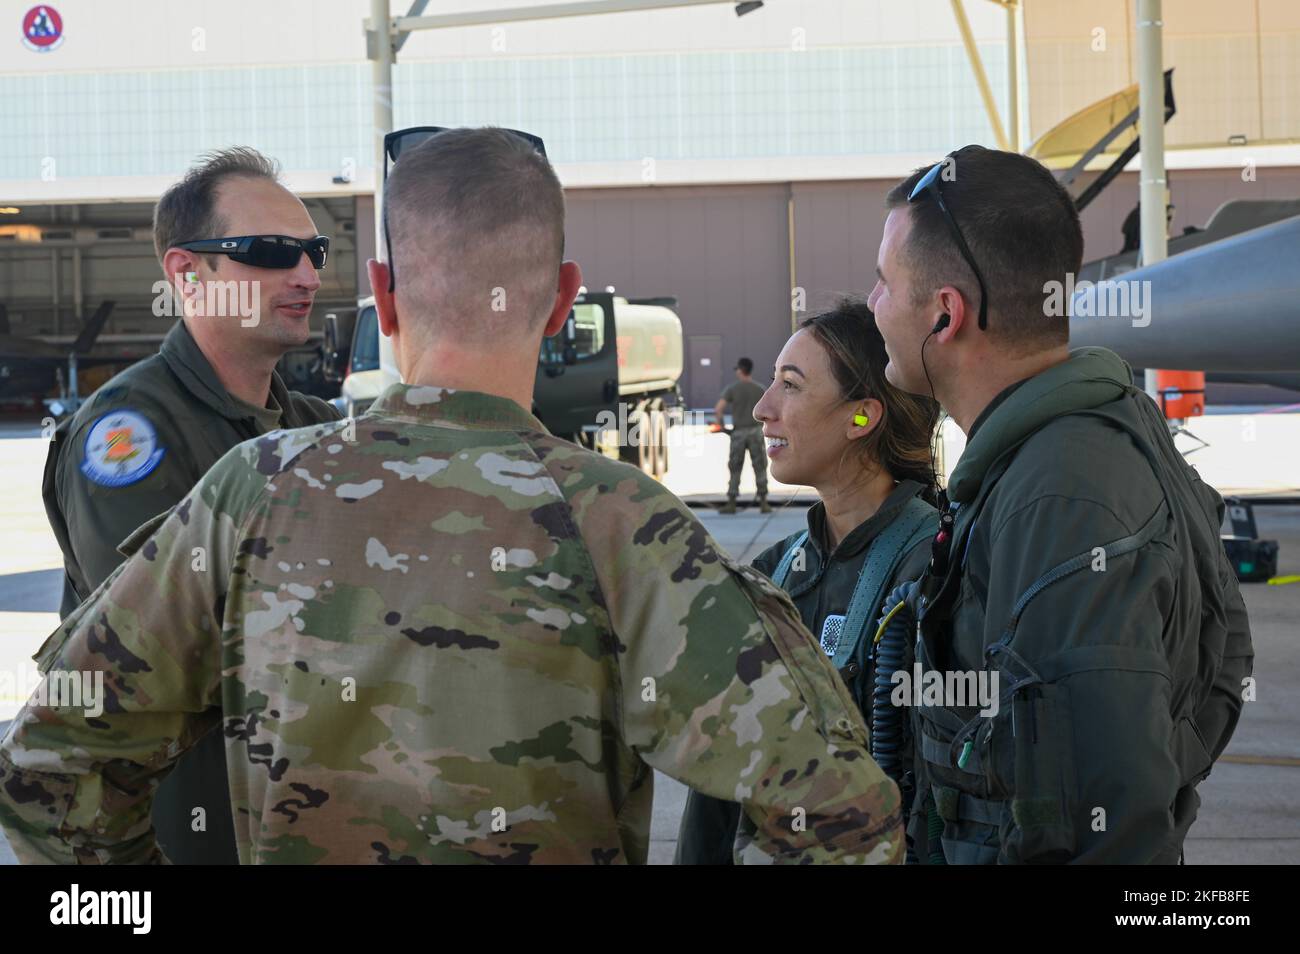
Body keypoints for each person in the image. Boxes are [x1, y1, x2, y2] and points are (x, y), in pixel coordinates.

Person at [0, 127, 904, 865]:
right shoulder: (628, 525)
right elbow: (842, 819)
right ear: (562, 303)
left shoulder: (250, 492)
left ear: (384, 301)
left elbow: (49, 771)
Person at [867, 144, 1254, 863]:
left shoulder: (1060, 498)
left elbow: (1107, 829)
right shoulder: (1071, 451)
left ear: (944, 315)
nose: (872, 303)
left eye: (884, 282)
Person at [39, 146, 341, 864]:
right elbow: (165, 643)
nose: (306, 275)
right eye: (269, 252)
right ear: (186, 273)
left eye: (313, 250)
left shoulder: (313, 423)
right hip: (187, 828)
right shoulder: (130, 431)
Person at [676, 301, 940, 864]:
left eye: (791, 386)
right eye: (772, 383)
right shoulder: (771, 573)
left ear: (862, 417)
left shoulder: (935, 572)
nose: (767, 408)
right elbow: (717, 795)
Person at [713, 357, 770, 513]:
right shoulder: (760, 389)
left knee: (735, 466)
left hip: (738, 432)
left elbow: (718, 409)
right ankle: (764, 503)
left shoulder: (732, 389)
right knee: (760, 466)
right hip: (756, 431)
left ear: (740, 370)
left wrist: (724, 427)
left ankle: (731, 503)